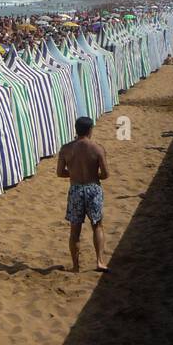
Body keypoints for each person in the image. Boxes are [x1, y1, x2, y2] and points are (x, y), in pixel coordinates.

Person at [56, 115, 109, 273]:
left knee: (75, 230)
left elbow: (59, 173)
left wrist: (73, 174)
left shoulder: (66, 149)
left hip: (76, 189)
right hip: (93, 188)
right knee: (97, 226)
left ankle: (76, 266)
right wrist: (94, 176)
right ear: (90, 130)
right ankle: (99, 261)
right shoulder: (97, 148)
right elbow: (106, 174)